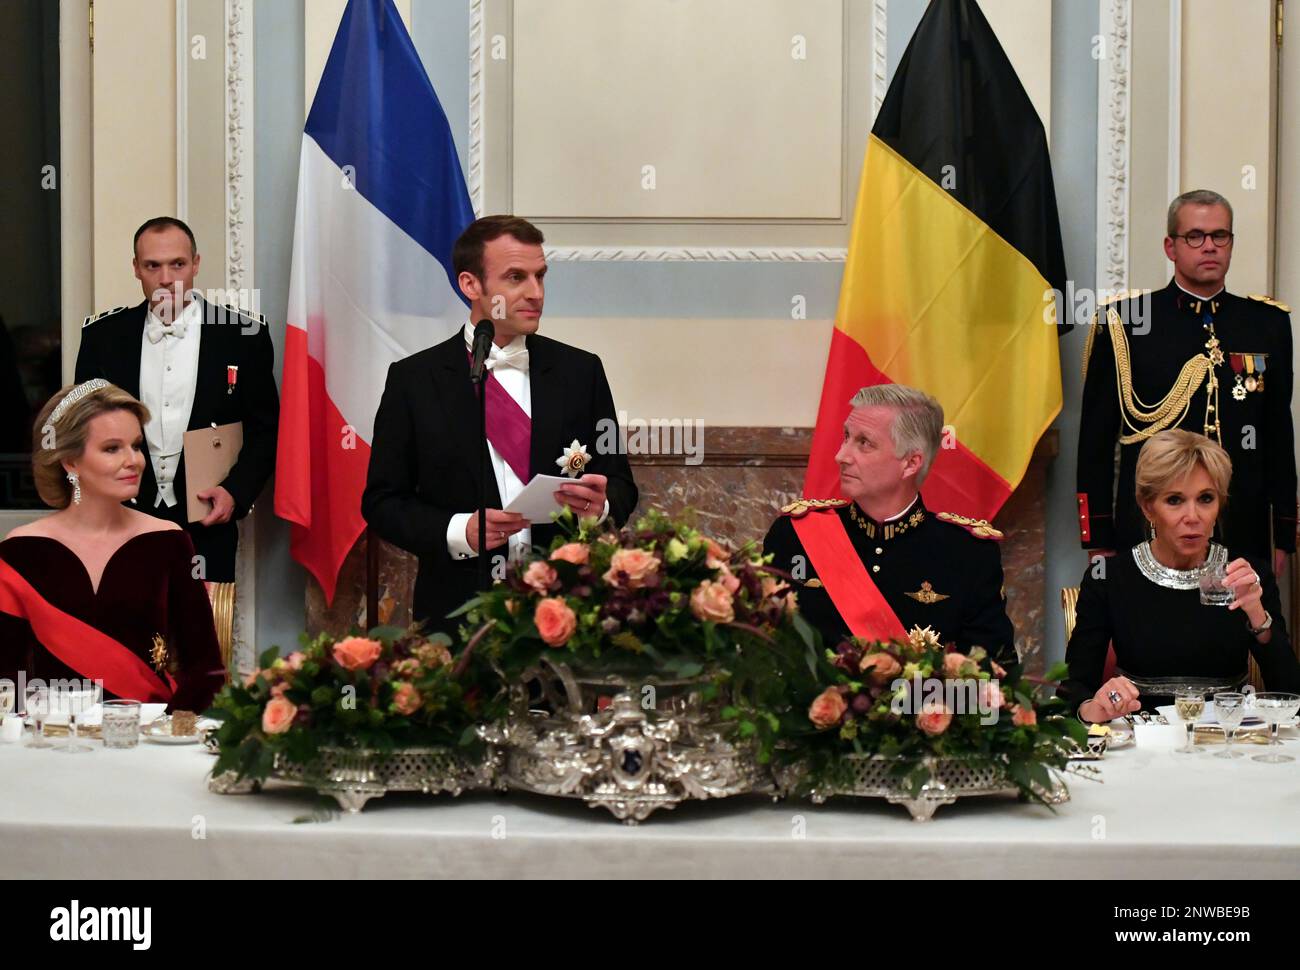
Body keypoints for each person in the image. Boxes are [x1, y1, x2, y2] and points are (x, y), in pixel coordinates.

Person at [362, 215, 639, 636]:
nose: (536, 293)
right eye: (516, 277)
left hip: (566, 612)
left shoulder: (581, 371)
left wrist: (599, 508)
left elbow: (620, 483)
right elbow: (383, 501)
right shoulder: (414, 380)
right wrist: (460, 530)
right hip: (455, 615)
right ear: (471, 285)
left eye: (540, 276)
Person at [1077, 189, 1296, 576]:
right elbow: (1095, 443)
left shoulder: (1267, 324)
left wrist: (1284, 535)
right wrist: (1098, 539)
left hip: (1241, 532)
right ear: (1170, 247)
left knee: (1241, 632)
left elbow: (1278, 436)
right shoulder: (1126, 324)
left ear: (1231, 244)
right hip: (1150, 534)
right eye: (1195, 236)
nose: (1209, 246)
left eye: (1220, 236)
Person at [0, 381, 226, 712]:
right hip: (54, 741)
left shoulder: (169, 541)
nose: (134, 460)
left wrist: (171, 733)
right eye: (112, 449)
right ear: (70, 463)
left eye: (136, 446)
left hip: (149, 737)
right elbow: (6, 677)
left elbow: (206, 670)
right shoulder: (21, 551)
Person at [74, 216, 279, 582]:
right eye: (153, 265)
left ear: (196, 264)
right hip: (120, 517)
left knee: (203, 634)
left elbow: (266, 430)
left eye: (178, 264)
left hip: (208, 517)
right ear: (136, 268)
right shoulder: (102, 336)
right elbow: (82, 431)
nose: (166, 278)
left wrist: (235, 492)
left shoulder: (243, 335)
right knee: (122, 635)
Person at [763, 384, 1016, 662]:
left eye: (864, 443)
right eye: (846, 437)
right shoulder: (793, 536)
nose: (841, 456)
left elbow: (992, 678)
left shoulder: (969, 553)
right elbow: (762, 653)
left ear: (910, 464)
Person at [1061, 429, 1300, 721]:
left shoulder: (1247, 574)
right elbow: (1073, 689)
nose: (1193, 516)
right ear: (1148, 507)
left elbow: (1289, 693)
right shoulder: (1110, 578)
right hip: (1143, 741)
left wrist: (1258, 617)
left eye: (1205, 499)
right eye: (1175, 500)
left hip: (1228, 742)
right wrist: (1093, 707)